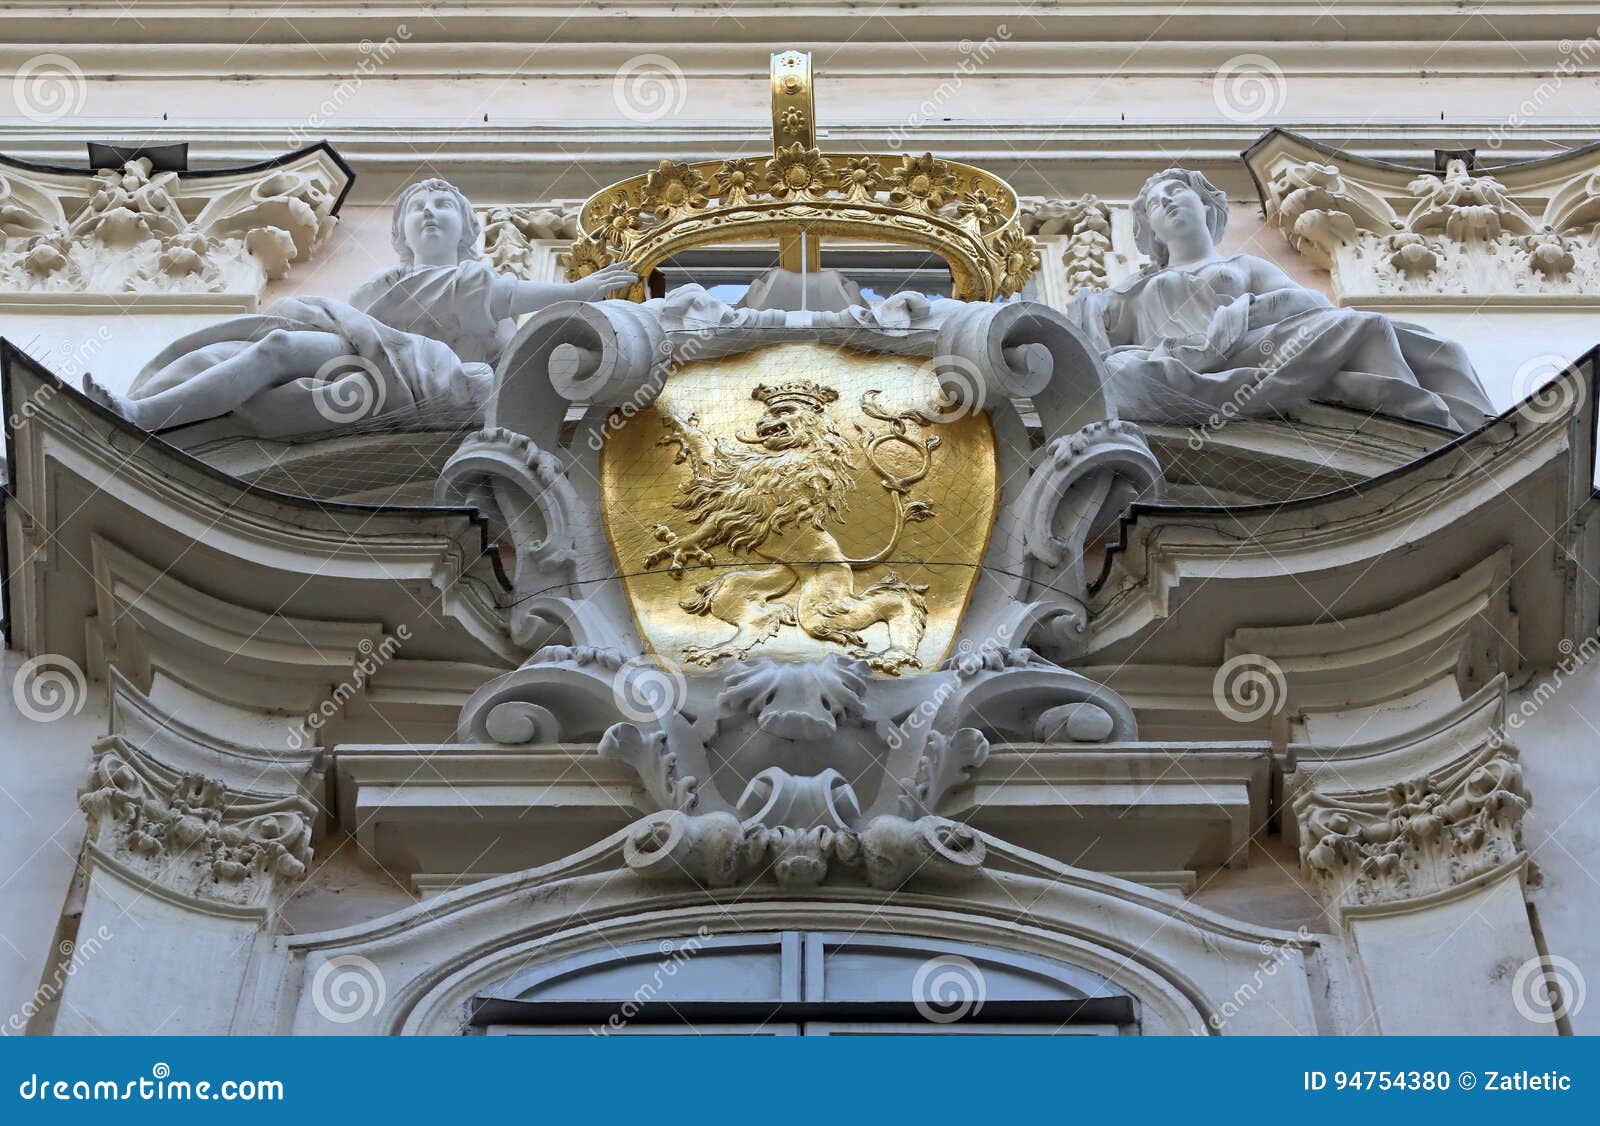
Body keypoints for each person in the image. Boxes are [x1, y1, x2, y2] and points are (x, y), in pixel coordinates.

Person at [85, 177, 636, 435]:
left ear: (467, 228)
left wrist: (580, 292)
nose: (428, 212)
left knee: (280, 346)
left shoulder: (475, 278)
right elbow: (355, 323)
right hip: (372, 356)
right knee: (266, 344)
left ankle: (146, 417)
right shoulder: (385, 283)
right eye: (416, 206)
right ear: (402, 233)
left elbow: (513, 299)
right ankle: (150, 408)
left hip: (432, 377)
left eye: (443, 205)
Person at [1066, 167, 1492, 431]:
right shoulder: (1135, 288)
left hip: (1252, 345)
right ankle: (1419, 425)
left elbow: (1310, 305)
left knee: (1389, 332)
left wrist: (1243, 313)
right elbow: (1089, 345)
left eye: (1177, 191)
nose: (1168, 202)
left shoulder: (1243, 266)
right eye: (1156, 205)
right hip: (1179, 359)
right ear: (1152, 231)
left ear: (1205, 205)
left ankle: (1433, 429)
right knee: (1367, 328)